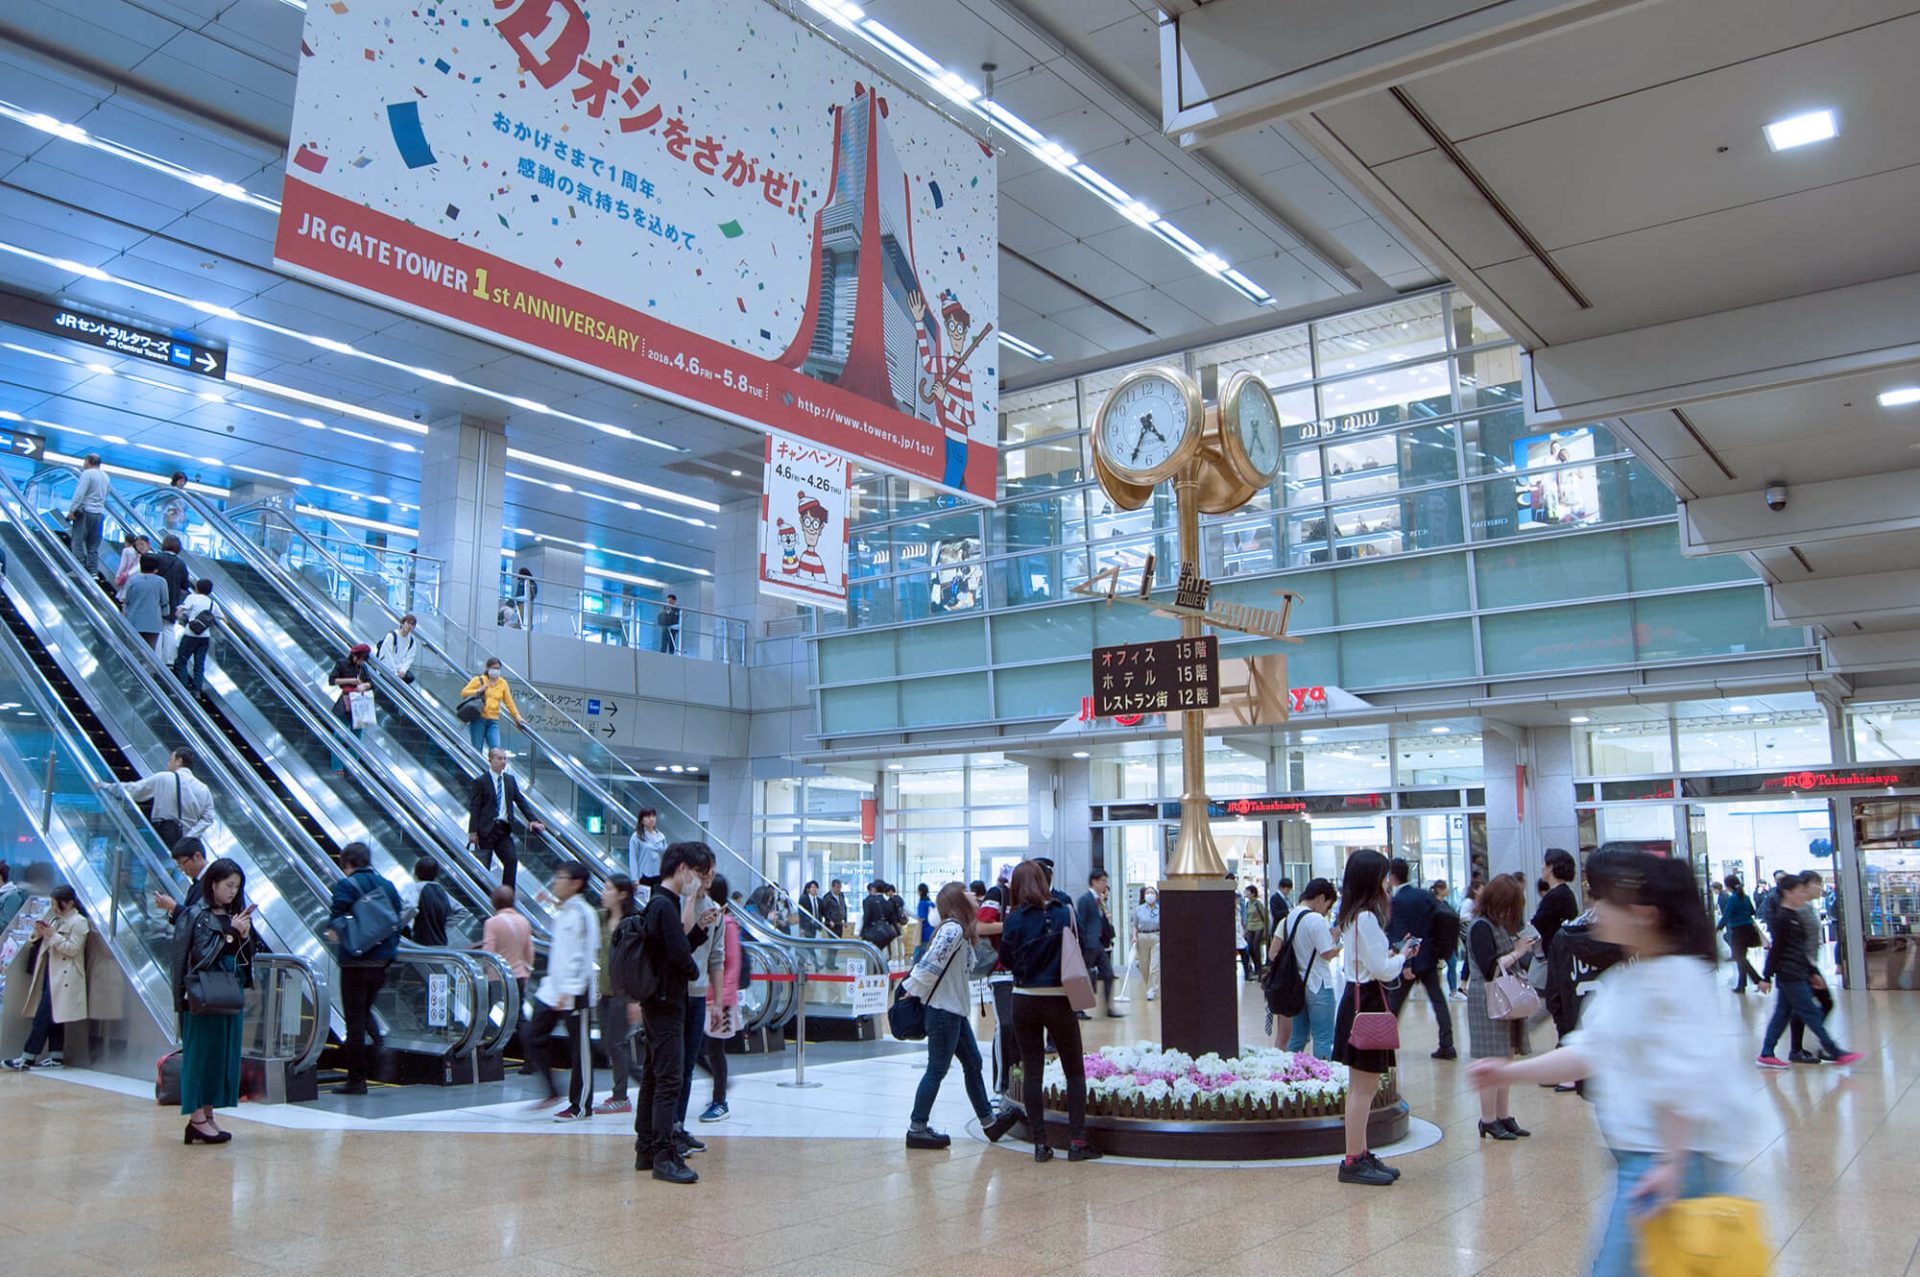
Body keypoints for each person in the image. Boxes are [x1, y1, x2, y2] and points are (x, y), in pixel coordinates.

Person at [1467, 852, 1761, 1276]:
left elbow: (1683, 1079)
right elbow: (1589, 1051)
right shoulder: (1630, 979)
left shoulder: (1675, 981)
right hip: (1649, 1162)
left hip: (1668, 1164)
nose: (1594, 911)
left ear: (1643, 915)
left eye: (1604, 901)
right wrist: (1508, 1072)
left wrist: (1671, 1165)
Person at [903, 882, 1017, 1149]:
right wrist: (910, 989)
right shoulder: (953, 930)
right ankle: (917, 1128)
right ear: (957, 901)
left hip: (954, 1010)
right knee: (937, 1069)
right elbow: (931, 962)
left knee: (973, 1062)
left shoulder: (959, 931)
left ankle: (989, 1123)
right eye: (966, 892)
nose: (973, 895)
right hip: (944, 1011)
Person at [629, 840, 717, 1185]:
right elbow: (678, 955)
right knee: (668, 1079)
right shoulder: (664, 905)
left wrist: (697, 930)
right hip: (667, 1002)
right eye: (696, 872)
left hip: (659, 1001)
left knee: (654, 1075)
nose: (698, 879)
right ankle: (664, 1154)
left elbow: (674, 947)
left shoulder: (658, 903)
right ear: (681, 868)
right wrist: (693, 971)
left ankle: (646, 1147)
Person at [1001, 861, 1099, 1162]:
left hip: (1024, 999)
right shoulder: (1064, 910)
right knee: (1074, 1070)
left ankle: (1040, 1144)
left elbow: (1005, 957)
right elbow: (1082, 948)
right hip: (1059, 998)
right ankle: (1077, 1142)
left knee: (1033, 1070)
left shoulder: (1014, 918)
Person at [1333, 849, 1412, 1186]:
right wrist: (1403, 956)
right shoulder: (1366, 918)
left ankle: (1361, 1153)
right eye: (1383, 874)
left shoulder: (1353, 916)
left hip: (1356, 1000)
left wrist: (1392, 954)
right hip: (1366, 1001)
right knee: (1363, 1089)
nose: (1387, 881)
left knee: (1359, 1087)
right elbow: (1380, 969)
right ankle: (1353, 1159)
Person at [170, 859, 251, 1144]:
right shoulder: (196, 915)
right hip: (203, 994)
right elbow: (202, 957)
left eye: (237, 887)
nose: (232, 891)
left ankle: (208, 1112)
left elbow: (239, 954)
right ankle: (196, 1117)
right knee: (201, 1054)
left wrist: (242, 936)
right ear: (213, 883)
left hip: (228, 989)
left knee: (221, 1053)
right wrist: (230, 935)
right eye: (228, 885)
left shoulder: (230, 915)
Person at [1757, 873, 1860, 1069]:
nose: (1804, 894)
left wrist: (1812, 972)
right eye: (1800, 890)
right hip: (1789, 973)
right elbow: (1777, 949)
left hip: (1798, 971)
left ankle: (1766, 1053)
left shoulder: (1794, 915)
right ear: (1788, 892)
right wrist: (1766, 976)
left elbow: (1799, 948)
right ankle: (1835, 1052)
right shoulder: (1782, 918)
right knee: (1810, 1012)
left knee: (1783, 1013)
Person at [325, 842, 402, 1095]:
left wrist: (340, 935)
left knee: (354, 1021)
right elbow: (397, 918)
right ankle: (380, 1049)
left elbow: (336, 920)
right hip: (381, 963)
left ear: (346, 863)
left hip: (355, 963)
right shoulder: (388, 886)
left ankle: (357, 1079)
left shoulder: (346, 885)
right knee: (365, 1010)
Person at [1464, 874, 1535, 1140]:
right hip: (1488, 998)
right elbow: (1490, 967)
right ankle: (1488, 1119)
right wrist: (1517, 952)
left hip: (1506, 998)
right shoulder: (1480, 926)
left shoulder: (1500, 925)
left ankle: (1503, 1116)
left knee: (1506, 1058)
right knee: (1492, 1059)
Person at [526, 863, 598, 1120]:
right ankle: (552, 1091)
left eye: (561, 878)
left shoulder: (584, 913)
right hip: (553, 990)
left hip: (575, 992)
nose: (555, 883)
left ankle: (580, 1105)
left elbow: (586, 955)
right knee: (533, 1035)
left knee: (580, 1051)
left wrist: (570, 990)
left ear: (576, 883)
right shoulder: (566, 911)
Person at [672, 868, 730, 1152]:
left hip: (697, 994)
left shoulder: (715, 911)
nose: (708, 877)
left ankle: (678, 1127)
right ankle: (665, 1131)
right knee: (671, 1067)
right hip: (672, 994)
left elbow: (716, 958)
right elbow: (682, 941)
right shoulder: (672, 902)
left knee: (687, 1068)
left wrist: (718, 1001)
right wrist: (688, 900)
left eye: (712, 872)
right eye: (703, 872)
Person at [3, 885, 89, 1071]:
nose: (53, 907)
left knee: (43, 1016)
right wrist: (39, 933)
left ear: (68, 903)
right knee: (53, 1015)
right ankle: (55, 1055)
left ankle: (28, 1057)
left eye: (55, 903)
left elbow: (73, 949)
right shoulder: (55, 918)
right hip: (49, 971)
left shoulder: (79, 922)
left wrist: (52, 935)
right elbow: (38, 942)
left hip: (64, 977)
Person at [1385, 856, 1456, 1059]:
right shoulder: (1424, 895)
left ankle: (1385, 1046)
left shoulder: (1398, 901)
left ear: (1393, 876)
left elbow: (1401, 934)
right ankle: (1447, 1044)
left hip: (1408, 960)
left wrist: (1407, 962)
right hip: (1428, 958)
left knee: (1394, 1004)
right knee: (1438, 1000)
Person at [593, 875, 643, 1115]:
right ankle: (643, 1082)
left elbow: (638, 962)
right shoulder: (600, 918)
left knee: (616, 1043)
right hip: (603, 991)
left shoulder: (632, 922)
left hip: (623, 994)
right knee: (609, 1044)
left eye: (608, 889)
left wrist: (635, 1000)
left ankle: (621, 1096)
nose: (603, 893)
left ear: (622, 894)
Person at [1277, 878, 1341, 1059]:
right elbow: (1326, 953)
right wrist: (1338, 946)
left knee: (1297, 1037)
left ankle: (1290, 1071)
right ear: (1321, 898)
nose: (1326, 911)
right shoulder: (1315, 919)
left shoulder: (1290, 917)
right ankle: (1324, 1078)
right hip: (1318, 983)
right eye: (1328, 906)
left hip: (1297, 983)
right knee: (1322, 1037)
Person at [696, 874, 742, 1124]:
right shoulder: (708, 919)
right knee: (699, 1049)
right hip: (703, 995)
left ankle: (720, 1100)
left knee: (715, 1050)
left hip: (719, 1000)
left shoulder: (728, 923)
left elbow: (732, 963)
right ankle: (718, 1086)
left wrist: (723, 998)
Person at [466, 747, 544, 892]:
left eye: (504, 759)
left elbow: (520, 801)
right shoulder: (481, 781)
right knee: (484, 865)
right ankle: (481, 895)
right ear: (490, 760)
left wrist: (532, 819)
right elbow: (475, 807)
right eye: (499, 758)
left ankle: (507, 896)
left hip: (504, 829)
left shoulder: (509, 780)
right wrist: (473, 831)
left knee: (511, 860)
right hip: (486, 830)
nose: (503, 762)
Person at [479, 884, 534, 1068]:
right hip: (519, 976)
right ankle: (530, 1059)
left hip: (499, 976)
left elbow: (488, 952)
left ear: (495, 901)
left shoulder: (493, 922)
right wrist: (527, 970)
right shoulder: (523, 921)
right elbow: (529, 951)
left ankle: (490, 1055)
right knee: (519, 1017)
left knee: (490, 1013)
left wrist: (483, 973)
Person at [121, 746, 213, 851]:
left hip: (166, 839)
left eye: (170, 760)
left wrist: (108, 786)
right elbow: (208, 819)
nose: (168, 763)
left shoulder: (164, 778)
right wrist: (189, 837)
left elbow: (135, 790)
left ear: (179, 761)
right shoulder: (204, 788)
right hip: (190, 847)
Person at [1784, 870, 1833, 1062]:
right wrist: (1810, 969)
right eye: (1816, 884)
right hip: (1803, 966)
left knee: (1806, 1007)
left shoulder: (1809, 907)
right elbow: (1796, 941)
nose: (1820, 888)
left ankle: (1804, 1047)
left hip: (1808, 964)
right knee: (1817, 1005)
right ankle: (1799, 1049)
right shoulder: (1801, 910)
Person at [1074, 870, 1124, 1019]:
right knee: (1083, 977)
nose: (1105, 884)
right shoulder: (1085, 900)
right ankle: (1078, 1008)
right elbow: (1081, 922)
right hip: (1089, 944)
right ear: (1094, 882)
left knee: (1108, 974)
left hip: (1100, 944)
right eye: (1103, 881)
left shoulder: (1100, 901)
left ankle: (1108, 1007)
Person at [458, 658, 525, 753]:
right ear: (488, 668)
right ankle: (478, 767)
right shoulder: (479, 680)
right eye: (494, 668)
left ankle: (493, 767)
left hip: (493, 720)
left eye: (498, 669)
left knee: (496, 749)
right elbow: (464, 692)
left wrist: (517, 717)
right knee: (477, 748)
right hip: (478, 718)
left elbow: (509, 702)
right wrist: (478, 690)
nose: (496, 671)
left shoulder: (502, 683)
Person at [328, 643, 375, 769]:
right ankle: (337, 766)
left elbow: (371, 683)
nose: (361, 662)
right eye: (360, 659)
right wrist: (350, 681)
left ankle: (353, 765)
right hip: (345, 703)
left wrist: (364, 686)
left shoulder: (363, 668)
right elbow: (332, 680)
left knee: (357, 737)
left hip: (359, 705)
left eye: (363, 660)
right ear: (354, 655)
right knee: (339, 735)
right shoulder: (341, 663)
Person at [402, 855, 462, 946]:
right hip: (441, 944)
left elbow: (411, 907)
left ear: (416, 872)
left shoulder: (417, 888)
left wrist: (396, 926)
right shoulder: (440, 890)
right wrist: (442, 925)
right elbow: (462, 911)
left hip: (421, 943)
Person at [66, 452, 110, 576]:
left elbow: (80, 494)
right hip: (99, 514)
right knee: (93, 546)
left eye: (84, 461)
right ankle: (93, 571)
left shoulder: (87, 474)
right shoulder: (106, 476)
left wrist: (72, 510)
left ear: (88, 461)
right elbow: (107, 493)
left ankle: (78, 568)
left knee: (77, 541)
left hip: (86, 512)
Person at [1719, 876, 1763, 994]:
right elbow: (1752, 911)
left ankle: (1757, 979)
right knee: (1741, 957)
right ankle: (1741, 985)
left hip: (1738, 931)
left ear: (1728, 886)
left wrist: (1718, 928)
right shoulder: (1746, 897)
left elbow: (1726, 915)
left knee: (1740, 957)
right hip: (1748, 930)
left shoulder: (1732, 899)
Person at [1532, 848, 1580, 955]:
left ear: (1550, 868)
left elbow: (1537, 924)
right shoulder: (1566, 893)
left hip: (1555, 953)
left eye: (1544, 863)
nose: (1541, 867)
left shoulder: (1553, 897)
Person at [171, 579, 215, 694]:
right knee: (199, 663)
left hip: (190, 634)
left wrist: (176, 615)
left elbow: (181, 610)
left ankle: (183, 686)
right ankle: (197, 689)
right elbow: (223, 618)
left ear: (197, 588)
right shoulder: (212, 603)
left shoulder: (192, 597)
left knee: (181, 660)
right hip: (205, 636)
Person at [153, 837, 210, 924]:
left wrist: (174, 907)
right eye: (179, 865)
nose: (182, 869)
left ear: (197, 856)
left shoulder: (216, 878)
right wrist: (172, 908)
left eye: (183, 863)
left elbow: (205, 918)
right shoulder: (195, 884)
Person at [123, 553, 168, 650]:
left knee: (132, 650)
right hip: (153, 622)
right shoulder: (161, 582)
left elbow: (127, 600)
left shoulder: (133, 580)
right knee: (150, 651)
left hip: (134, 620)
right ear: (156, 568)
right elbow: (164, 601)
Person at [374, 613, 420, 683]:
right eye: (407, 623)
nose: (409, 626)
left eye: (412, 624)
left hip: (400, 670)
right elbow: (387, 656)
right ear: (402, 623)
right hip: (386, 668)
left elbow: (410, 658)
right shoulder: (392, 636)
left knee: (410, 678)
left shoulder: (412, 641)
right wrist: (395, 672)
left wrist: (403, 670)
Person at [1133, 886, 1161, 1001]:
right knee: (1144, 966)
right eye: (1148, 892)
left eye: (1152, 892)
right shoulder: (1138, 909)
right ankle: (1148, 986)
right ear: (1144, 896)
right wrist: (1134, 937)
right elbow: (1134, 925)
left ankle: (1152, 990)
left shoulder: (1160, 909)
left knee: (1154, 967)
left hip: (1156, 937)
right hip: (1142, 937)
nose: (1150, 894)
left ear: (1156, 895)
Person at [627, 808, 665, 885]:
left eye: (653, 816)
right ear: (641, 821)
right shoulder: (636, 836)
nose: (651, 819)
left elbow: (665, 856)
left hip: (659, 876)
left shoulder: (661, 836)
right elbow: (633, 858)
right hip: (644, 876)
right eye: (647, 817)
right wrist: (635, 878)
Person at [1241, 885, 1270, 980]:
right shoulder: (1247, 904)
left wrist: (1266, 930)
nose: (1246, 893)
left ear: (1253, 893)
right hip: (1250, 928)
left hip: (1259, 927)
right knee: (1250, 948)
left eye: (1248, 892)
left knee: (1255, 947)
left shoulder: (1258, 904)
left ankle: (1259, 968)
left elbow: (1265, 917)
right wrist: (1245, 929)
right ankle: (1256, 966)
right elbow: (1247, 918)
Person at [112, 533, 147, 602]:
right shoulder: (141, 552)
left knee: (123, 596)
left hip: (127, 577)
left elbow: (123, 565)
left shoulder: (126, 551)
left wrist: (117, 576)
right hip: (137, 577)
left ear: (126, 541)